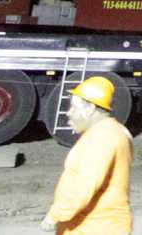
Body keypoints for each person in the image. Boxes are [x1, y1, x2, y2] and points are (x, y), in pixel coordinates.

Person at [41, 74, 132, 234]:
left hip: (93, 226)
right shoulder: (116, 131)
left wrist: (56, 214)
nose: (68, 113)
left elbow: (84, 183)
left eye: (73, 108)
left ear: (90, 108)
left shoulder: (101, 138)